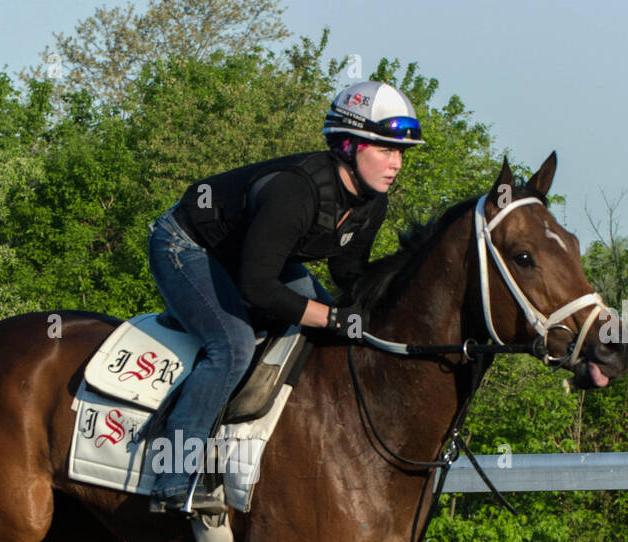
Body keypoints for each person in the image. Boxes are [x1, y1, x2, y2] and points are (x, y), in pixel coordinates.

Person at [145, 80, 424, 516]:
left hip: (250, 259)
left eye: (401, 152)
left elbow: (348, 272)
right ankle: (172, 478)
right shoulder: (295, 192)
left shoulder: (372, 201)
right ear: (349, 146)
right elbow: (256, 288)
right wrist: (330, 318)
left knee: (332, 328)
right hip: (187, 246)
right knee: (232, 346)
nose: (397, 163)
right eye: (386, 150)